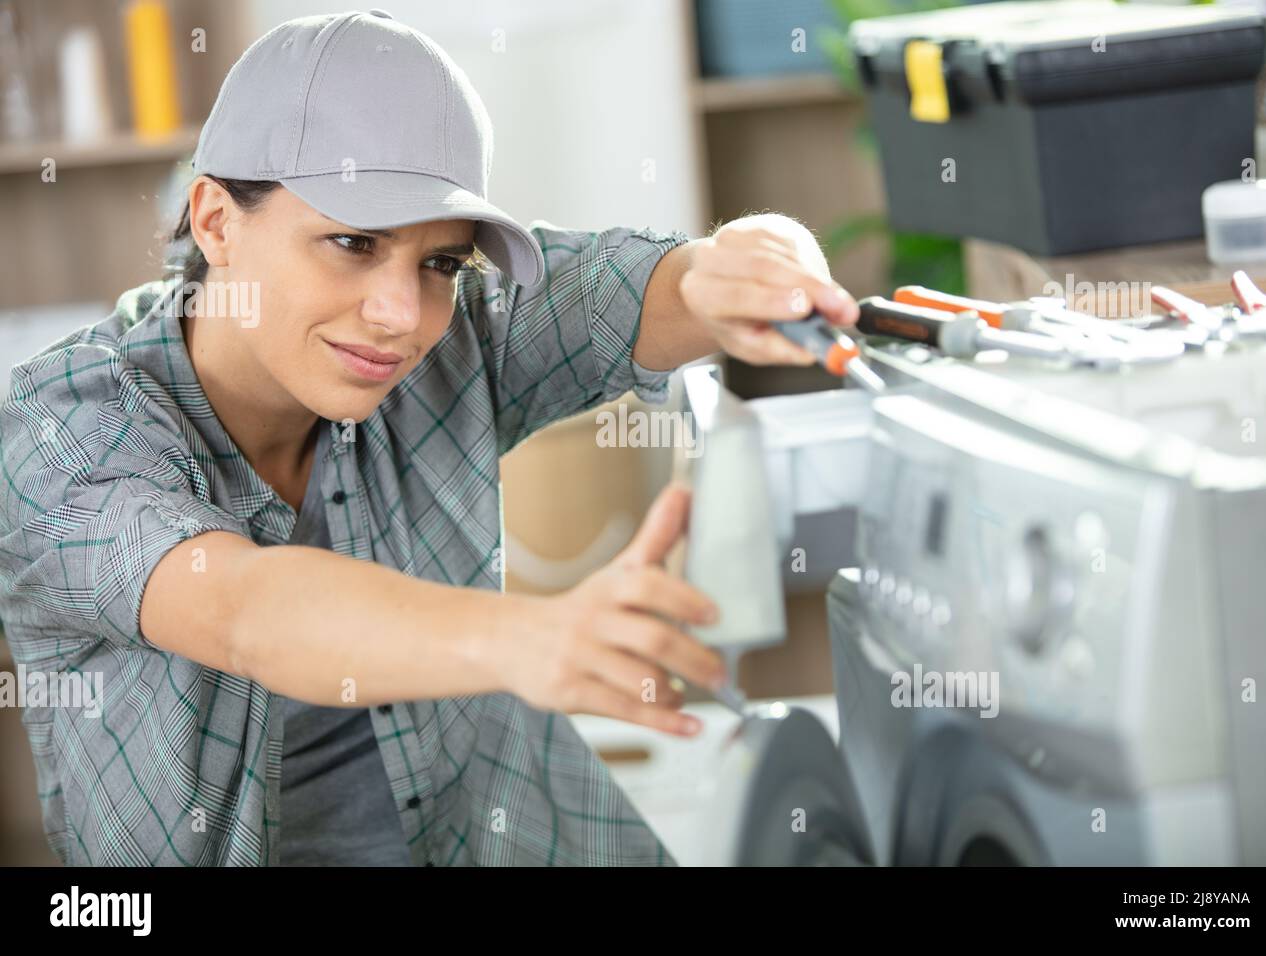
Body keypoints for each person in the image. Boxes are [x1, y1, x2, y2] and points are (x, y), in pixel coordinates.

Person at [0, 9, 860, 866]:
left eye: (441, 263)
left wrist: (759, 260)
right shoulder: (63, 433)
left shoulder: (456, 335)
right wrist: (528, 637)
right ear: (217, 221)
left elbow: (673, 281)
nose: (401, 318)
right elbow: (245, 609)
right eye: (351, 242)